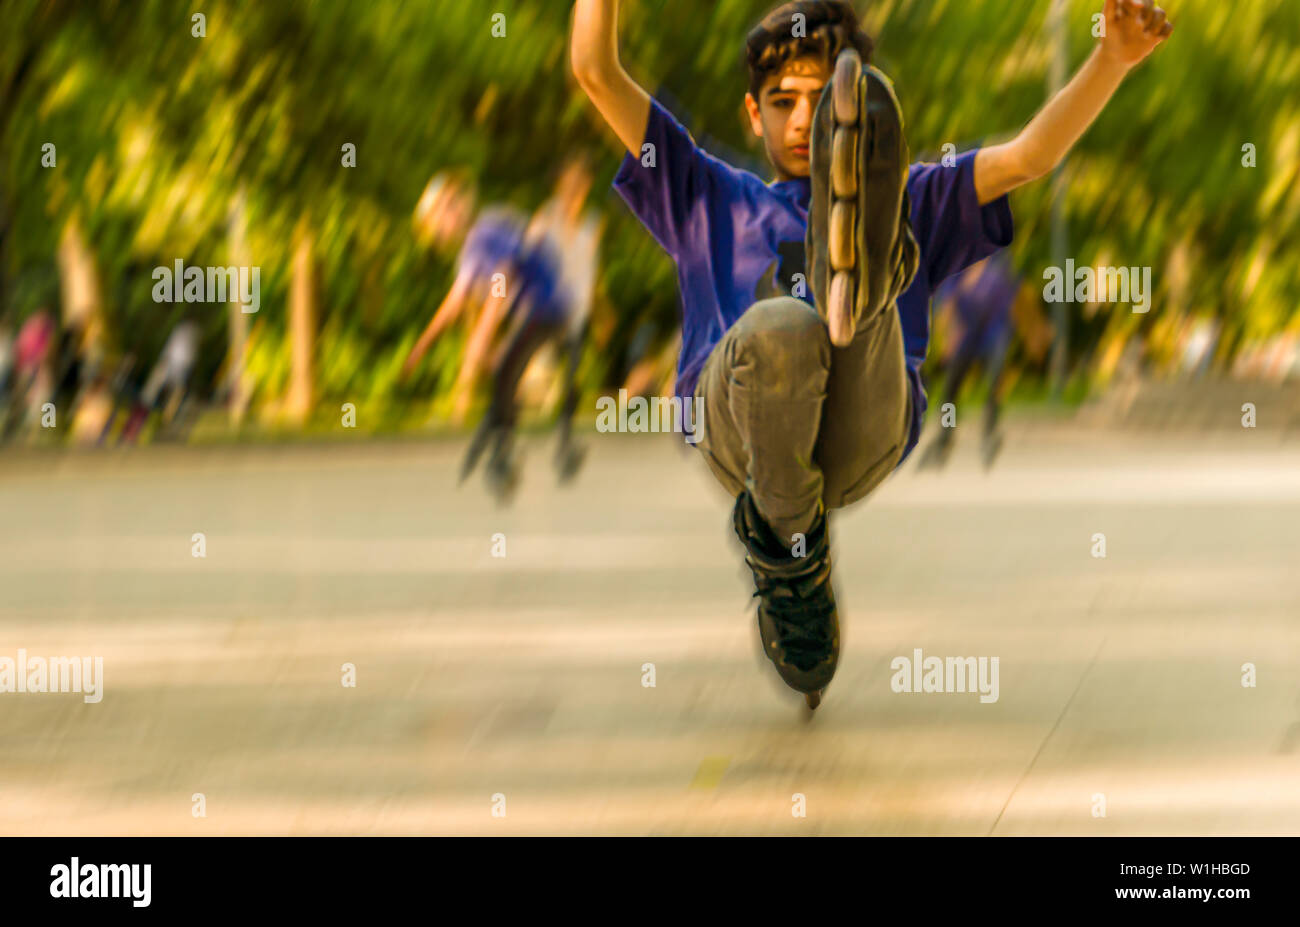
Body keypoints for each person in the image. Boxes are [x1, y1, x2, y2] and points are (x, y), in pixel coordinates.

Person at [572, 0, 1174, 707]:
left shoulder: (919, 190)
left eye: (822, 103)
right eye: (782, 102)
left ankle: (862, 258)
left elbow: (1030, 156)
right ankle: (793, 546)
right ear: (751, 112)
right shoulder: (706, 195)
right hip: (739, 432)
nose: (800, 121)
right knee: (780, 329)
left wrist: (1112, 59)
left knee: (846, 299)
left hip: (865, 420)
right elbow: (595, 69)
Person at [459, 158, 603, 500]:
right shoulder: (544, 218)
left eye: (581, 183)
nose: (576, 189)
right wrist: (505, 312)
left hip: (575, 313)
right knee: (517, 377)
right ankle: (498, 446)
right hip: (541, 310)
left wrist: (598, 309)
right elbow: (521, 263)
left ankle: (561, 448)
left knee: (569, 384)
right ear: (560, 185)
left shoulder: (592, 223)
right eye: (570, 182)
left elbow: (590, 272)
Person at [402, 172, 529, 425]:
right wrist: (422, 345)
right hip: (523, 303)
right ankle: (509, 400)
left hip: (537, 298)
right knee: (483, 349)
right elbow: (455, 301)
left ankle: (462, 413)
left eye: (439, 220)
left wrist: (487, 325)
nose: (439, 231)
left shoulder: (485, 231)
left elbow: (506, 273)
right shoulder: (472, 245)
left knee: (479, 347)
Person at [918, 252, 1021, 471]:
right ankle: (945, 438)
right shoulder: (959, 261)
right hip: (966, 332)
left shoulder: (999, 259)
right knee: (950, 391)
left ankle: (990, 433)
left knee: (995, 384)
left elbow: (1008, 298)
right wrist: (949, 335)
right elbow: (947, 302)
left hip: (994, 331)